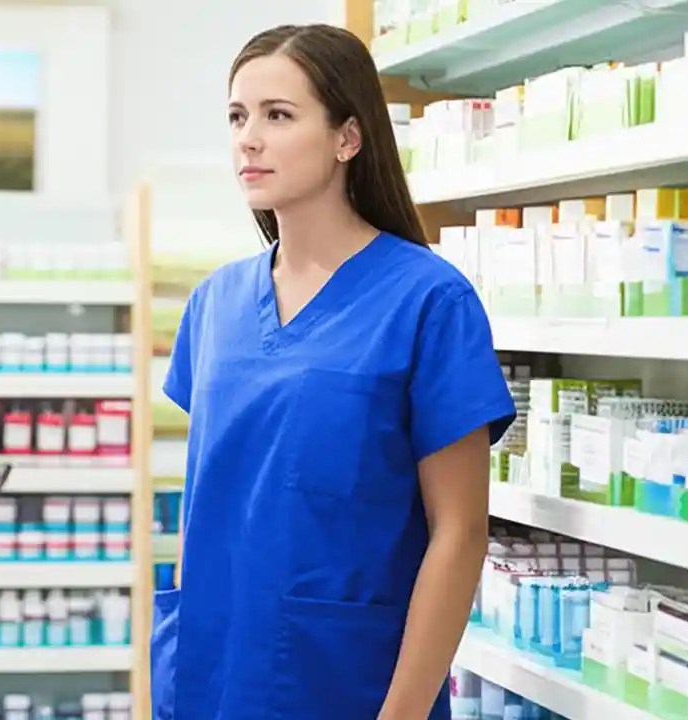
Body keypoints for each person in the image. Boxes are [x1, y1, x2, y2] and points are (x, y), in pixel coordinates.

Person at [150, 24, 516, 720]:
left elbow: (460, 532)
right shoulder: (215, 304)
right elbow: (219, 500)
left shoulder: (428, 301)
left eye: (277, 115)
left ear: (348, 138)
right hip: (211, 675)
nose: (248, 139)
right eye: (238, 116)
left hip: (348, 683)